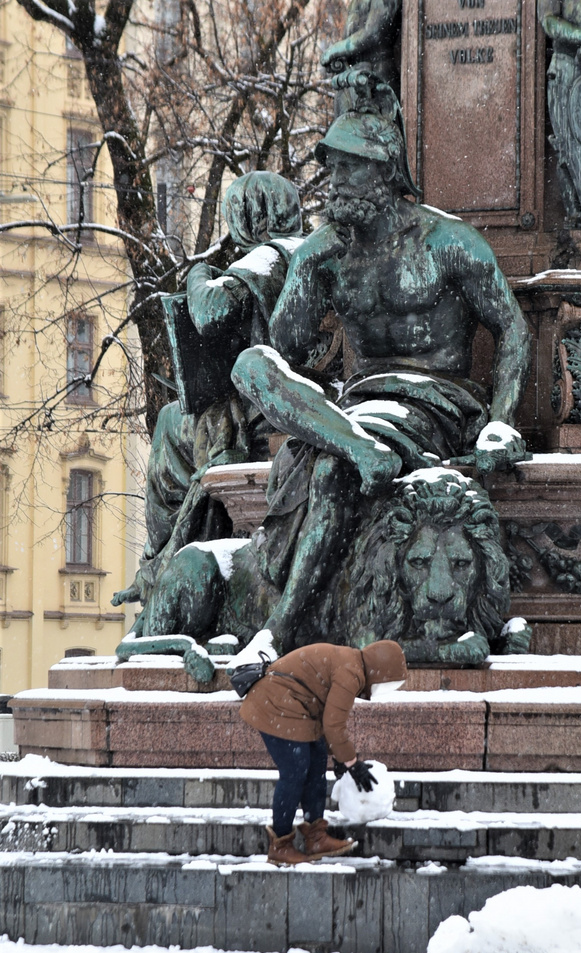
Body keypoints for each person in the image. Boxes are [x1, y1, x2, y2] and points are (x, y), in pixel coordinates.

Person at [231, 74, 531, 656]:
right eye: (332, 167)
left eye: (349, 168)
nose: (334, 182)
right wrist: (303, 272)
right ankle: (358, 448)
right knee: (251, 365)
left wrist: (502, 420)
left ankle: (280, 630)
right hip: (357, 406)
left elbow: (513, 332)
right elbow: (281, 356)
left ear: (386, 172)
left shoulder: (450, 243)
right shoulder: (327, 253)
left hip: (436, 404)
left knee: (328, 472)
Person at [112, 171, 305, 610]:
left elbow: (209, 311)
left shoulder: (272, 258)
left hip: (268, 403)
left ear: (254, 216)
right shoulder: (303, 251)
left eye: (236, 215)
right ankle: (160, 561)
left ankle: (157, 562)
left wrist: (199, 276)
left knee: (167, 425)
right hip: (275, 395)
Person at [239, 639, 407, 865]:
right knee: (295, 771)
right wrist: (352, 763)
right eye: (389, 682)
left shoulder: (353, 665)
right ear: (381, 672)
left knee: (317, 763)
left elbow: (327, 715)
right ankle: (280, 845)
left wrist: (339, 757)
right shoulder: (351, 672)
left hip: (296, 706)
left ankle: (315, 837)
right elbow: (333, 724)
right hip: (276, 704)